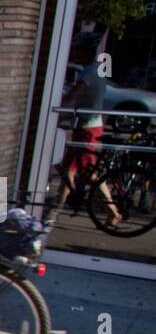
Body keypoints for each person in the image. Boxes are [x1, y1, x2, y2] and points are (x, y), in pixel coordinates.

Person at [55, 31, 120, 226]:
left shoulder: (89, 72)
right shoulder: (98, 68)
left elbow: (73, 96)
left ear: (84, 52)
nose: (74, 54)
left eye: (77, 50)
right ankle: (54, 212)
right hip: (88, 125)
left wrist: (54, 109)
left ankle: (112, 210)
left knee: (86, 173)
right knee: (68, 171)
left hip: (88, 128)